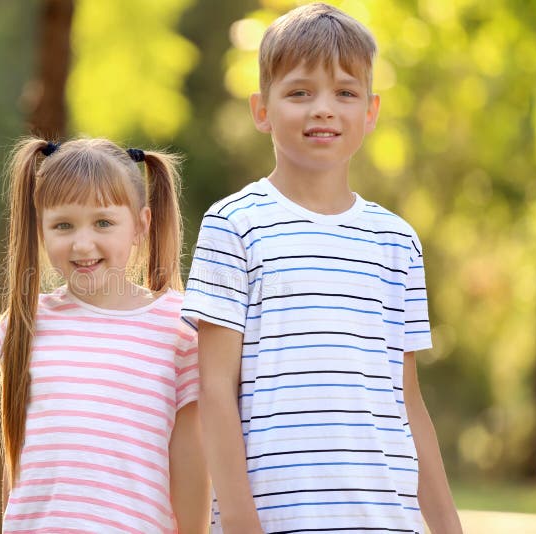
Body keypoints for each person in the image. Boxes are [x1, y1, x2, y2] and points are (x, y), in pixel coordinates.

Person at [182, 3, 462, 533]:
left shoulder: (397, 241)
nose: (323, 109)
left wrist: (447, 524)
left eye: (345, 93)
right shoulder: (234, 226)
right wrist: (240, 520)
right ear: (261, 109)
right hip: (274, 518)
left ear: (371, 112)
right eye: (299, 92)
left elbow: (407, 399)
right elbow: (214, 387)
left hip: (386, 520)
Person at [0, 137, 209, 533]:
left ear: (140, 225)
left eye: (103, 222)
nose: (82, 243)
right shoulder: (26, 323)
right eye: (63, 225)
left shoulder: (179, 327)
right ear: (41, 229)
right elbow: (21, 462)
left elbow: (191, 461)